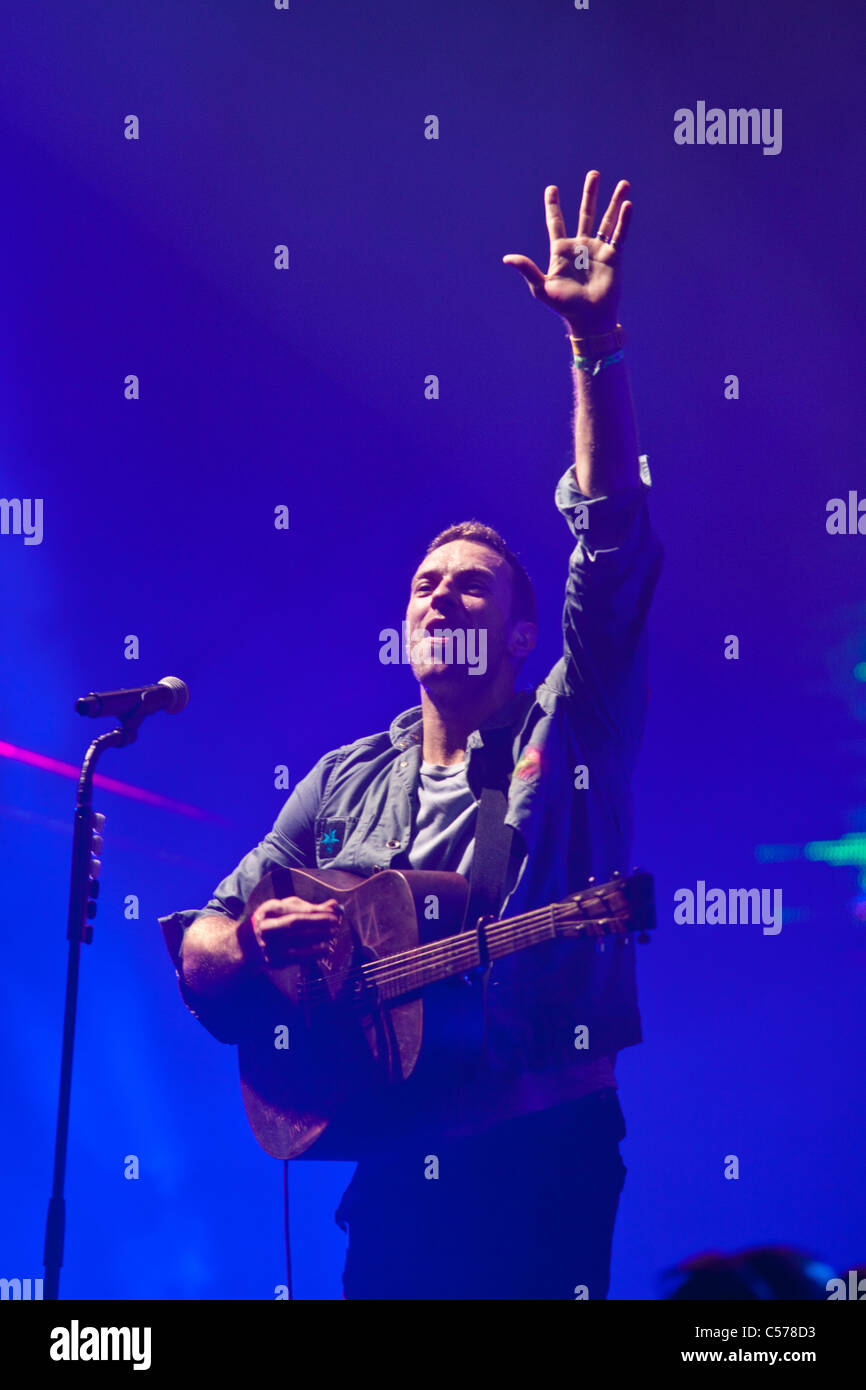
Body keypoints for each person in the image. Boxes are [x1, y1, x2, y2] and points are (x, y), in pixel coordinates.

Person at [159, 170, 663, 1300]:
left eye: (473, 587)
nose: (440, 597)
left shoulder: (569, 724)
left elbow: (614, 549)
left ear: (527, 632)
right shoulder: (344, 780)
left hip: (541, 1159)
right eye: (426, 583)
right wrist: (255, 942)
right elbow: (200, 938)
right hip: (387, 1162)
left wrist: (593, 350)